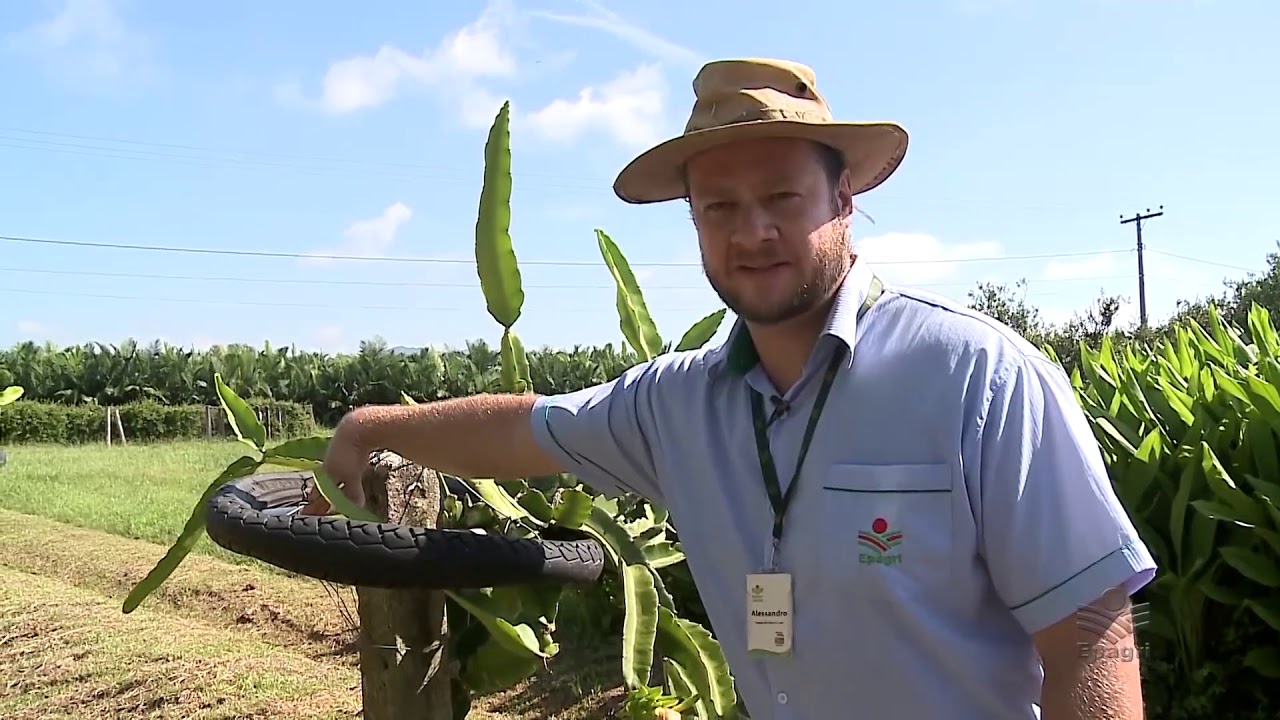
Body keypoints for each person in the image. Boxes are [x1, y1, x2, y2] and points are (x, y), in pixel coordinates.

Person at [309, 58, 1157, 719]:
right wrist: (366, 428)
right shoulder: (678, 405)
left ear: (844, 197)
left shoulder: (977, 377)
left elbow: (1088, 635)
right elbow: (523, 431)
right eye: (718, 208)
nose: (751, 231)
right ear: (693, 223)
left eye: (782, 196)